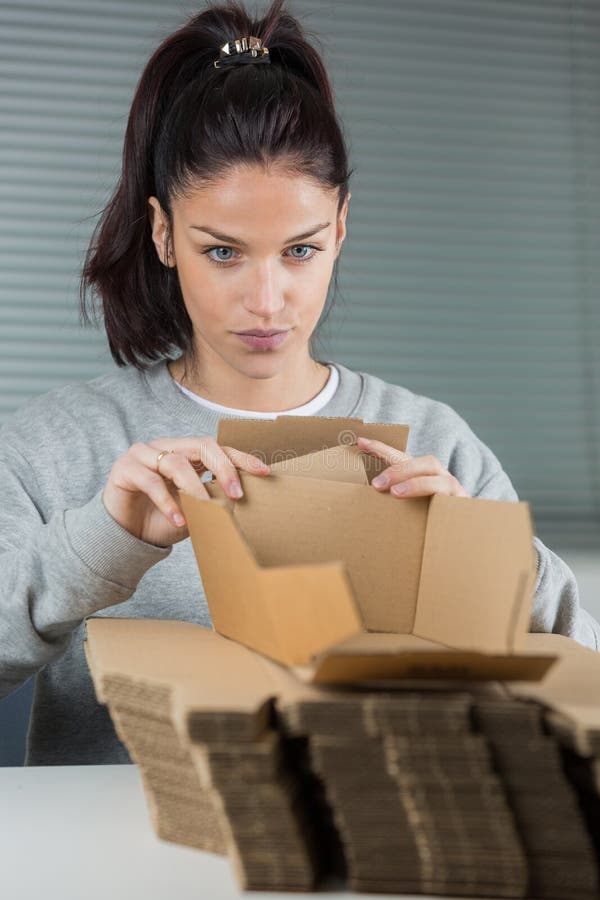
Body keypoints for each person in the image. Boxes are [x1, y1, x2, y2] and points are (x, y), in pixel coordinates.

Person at [1, 0, 598, 768]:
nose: (266, 300)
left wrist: (480, 557)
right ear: (162, 234)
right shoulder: (57, 446)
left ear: (340, 229)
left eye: (301, 251)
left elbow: (577, 673)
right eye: (223, 252)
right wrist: (103, 541)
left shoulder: (436, 439)